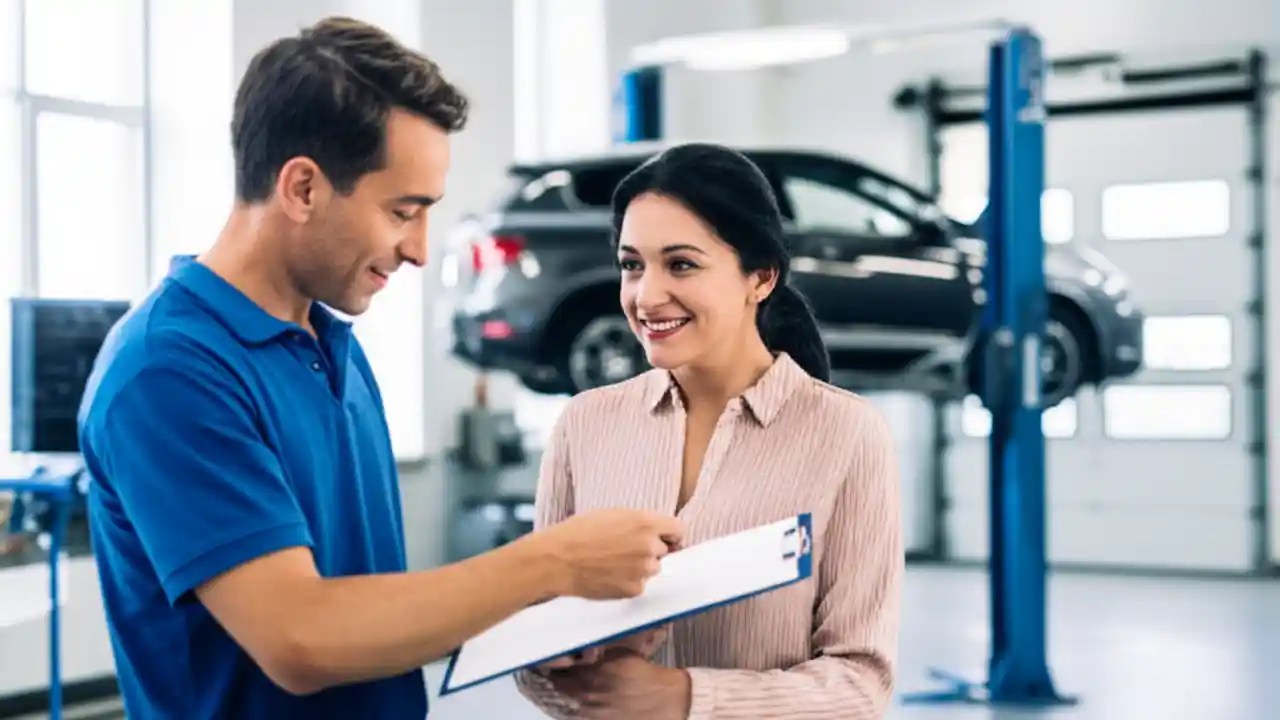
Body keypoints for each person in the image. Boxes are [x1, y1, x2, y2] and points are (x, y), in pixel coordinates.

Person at [76, 17, 681, 720]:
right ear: (301, 188)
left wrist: (540, 616)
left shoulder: (332, 344)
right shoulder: (169, 372)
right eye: (403, 212)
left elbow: (366, 609)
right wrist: (549, 563)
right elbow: (301, 636)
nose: (419, 250)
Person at [514, 143, 903, 719]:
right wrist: (560, 665)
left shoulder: (847, 435)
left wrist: (684, 699)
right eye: (631, 264)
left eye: (682, 264)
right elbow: (534, 650)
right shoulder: (584, 425)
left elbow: (860, 683)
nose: (646, 296)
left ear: (761, 277)